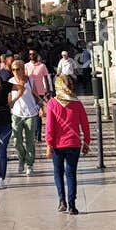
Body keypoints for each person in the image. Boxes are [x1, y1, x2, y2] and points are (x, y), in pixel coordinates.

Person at [44, 73, 90, 215]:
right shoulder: (77, 103)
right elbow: (85, 124)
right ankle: (72, 205)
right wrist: (86, 142)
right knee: (71, 174)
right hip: (74, 144)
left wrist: (49, 144)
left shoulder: (52, 103)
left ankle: (61, 201)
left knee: (58, 173)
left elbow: (49, 126)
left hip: (58, 145)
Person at [10, 64, 39, 177]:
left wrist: (40, 107)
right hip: (16, 114)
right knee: (16, 139)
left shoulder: (30, 80)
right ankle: (21, 158)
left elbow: (36, 95)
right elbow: (9, 97)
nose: (15, 71)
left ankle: (29, 164)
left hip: (30, 113)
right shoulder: (10, 81)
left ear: (23, 69)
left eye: (18, 69)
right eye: (13, 69)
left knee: (30, 140)